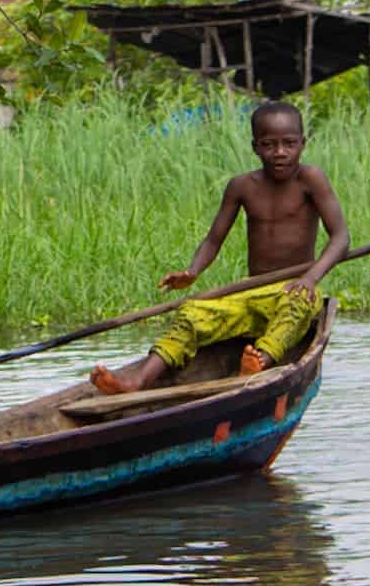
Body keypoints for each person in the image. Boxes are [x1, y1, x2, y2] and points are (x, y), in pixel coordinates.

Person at [90, 100, 348, 396]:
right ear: (255, 147)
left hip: (294, 288)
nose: (279, 153)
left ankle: (258, 362)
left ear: (303, 144)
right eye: (269, 145)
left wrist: (310, 278)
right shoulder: (242, 186)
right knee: (191, 313)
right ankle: (137, 381)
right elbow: (213, 239)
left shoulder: (311, 179)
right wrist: (193, 271)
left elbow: (340, 238)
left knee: (298, 306)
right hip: (250, 292)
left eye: (289, 144)